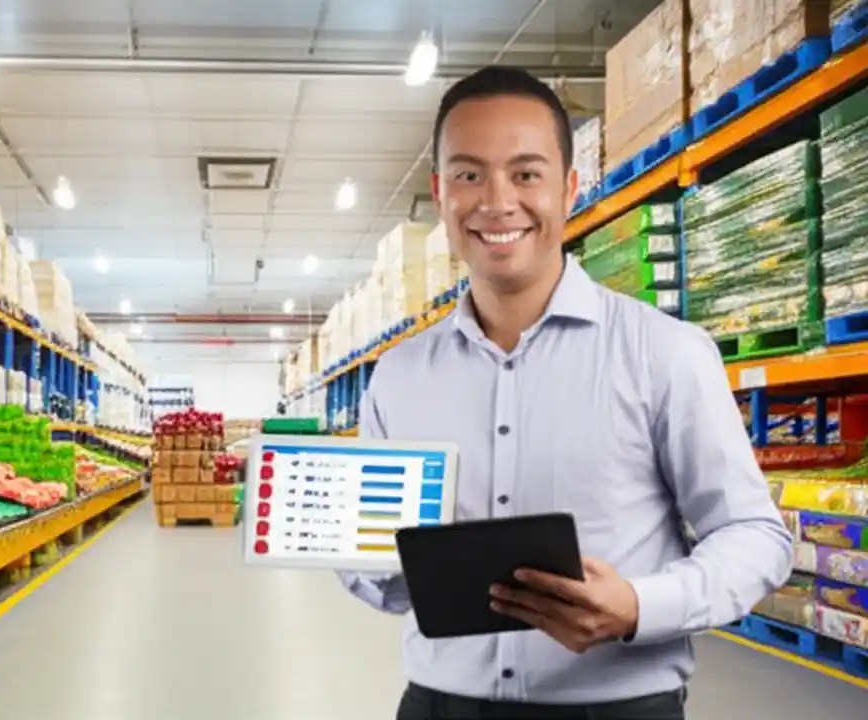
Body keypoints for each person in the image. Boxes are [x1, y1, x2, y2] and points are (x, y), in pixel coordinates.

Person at [337, 66, 793, 720]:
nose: (496, 201)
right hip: (439, 706)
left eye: (526, 174)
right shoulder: (401, 374)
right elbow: (374, 566)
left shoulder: (663, 352)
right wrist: (356, 553)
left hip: (617, 708)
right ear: (441, 195)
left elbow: (755, 535)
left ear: (570, 189)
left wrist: (639, 604)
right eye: (468, 175)